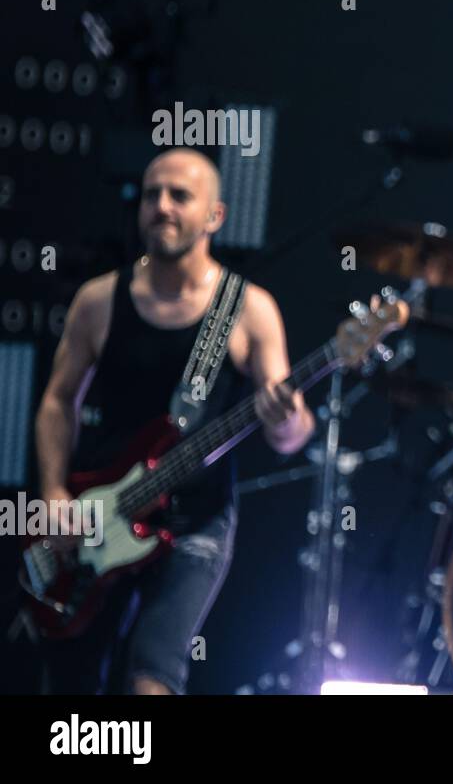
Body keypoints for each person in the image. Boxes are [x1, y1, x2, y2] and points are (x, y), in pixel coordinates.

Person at [34, 147, 314, 694]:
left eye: (180, 195)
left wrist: (287, 417)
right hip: (100, 515)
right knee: (71, 684)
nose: (161, 207)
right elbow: (55, 402)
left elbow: (289, 435)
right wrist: (51, 493)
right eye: (151, 194)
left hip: (194, 523)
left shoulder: (249, 309)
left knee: (153, 673)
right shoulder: (99, 299)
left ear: (215, 216)